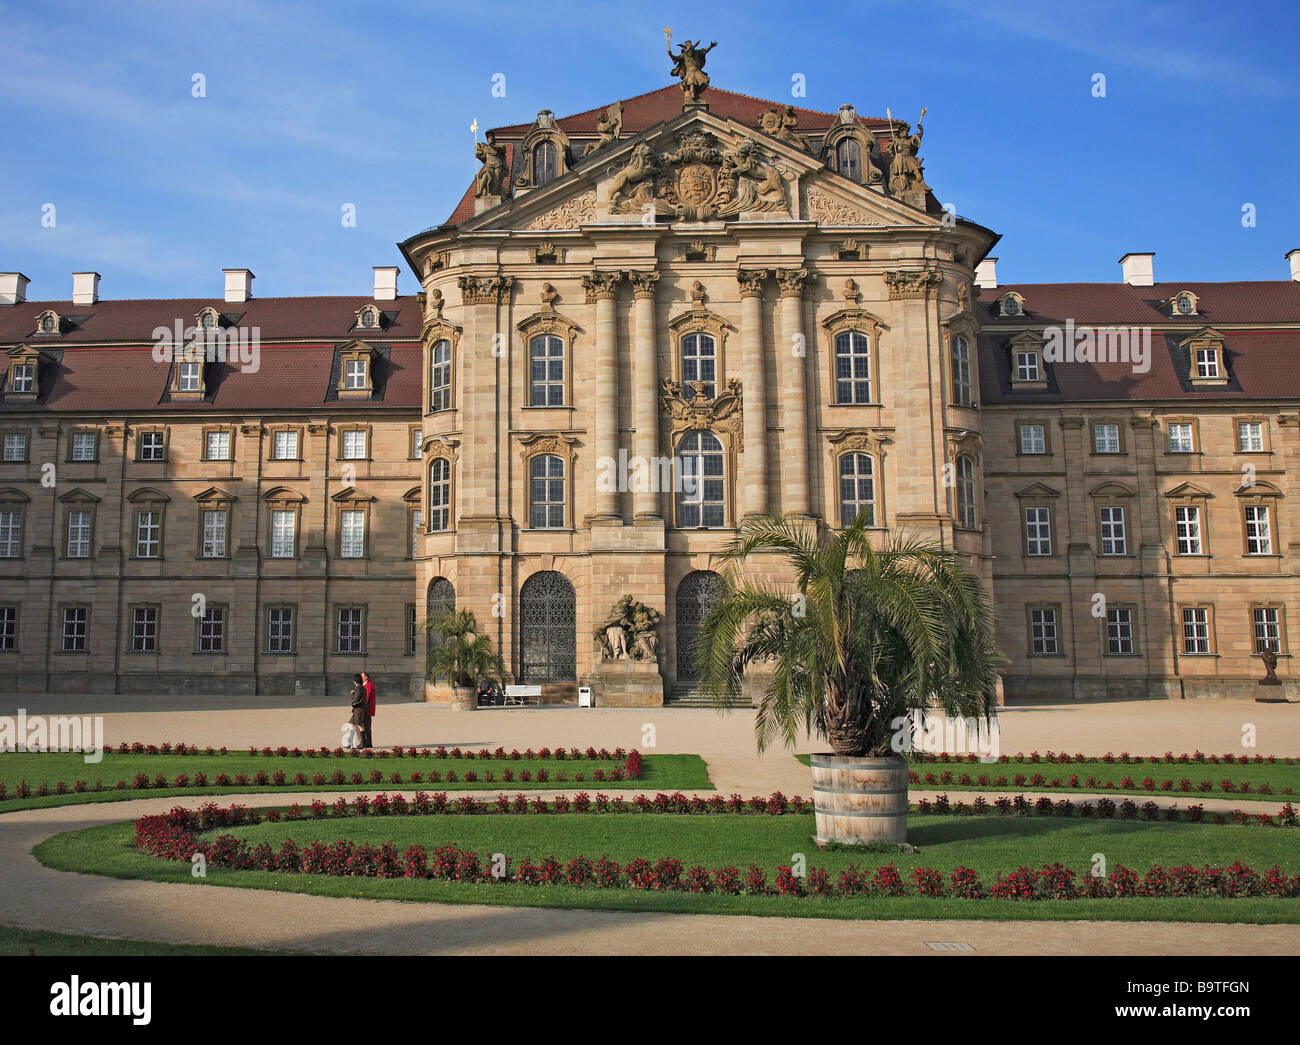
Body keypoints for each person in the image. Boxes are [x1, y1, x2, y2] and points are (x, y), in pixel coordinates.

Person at [346, 673, 367, 750]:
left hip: (359, 709)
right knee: (351, 724)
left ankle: (362, 743)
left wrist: (352, 694)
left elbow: (356, 698)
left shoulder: (358, 688)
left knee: (360, 725)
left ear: (355, 681)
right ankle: (350, 742)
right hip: (359, 709)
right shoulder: (362, 687)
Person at [360, 672, 377, 748]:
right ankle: (367, 742)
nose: (361, 678)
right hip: (367, 709)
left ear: (366, 677)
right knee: (366, 726)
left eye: (362, 677)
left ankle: (367, 742)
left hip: (366, 709)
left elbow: (366, 698)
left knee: (366, 726)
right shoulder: (367, 685)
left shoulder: (368, 685)